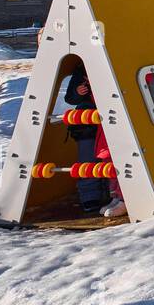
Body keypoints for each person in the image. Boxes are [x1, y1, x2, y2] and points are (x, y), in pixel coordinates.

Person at [63, 64, 107, 214]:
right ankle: (90, 196)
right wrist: (77, 92)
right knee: (88, 159)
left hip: (109, 120)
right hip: (87, 126)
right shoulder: (81, 72)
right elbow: (70, 98)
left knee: (109, 160)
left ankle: (111, 193)